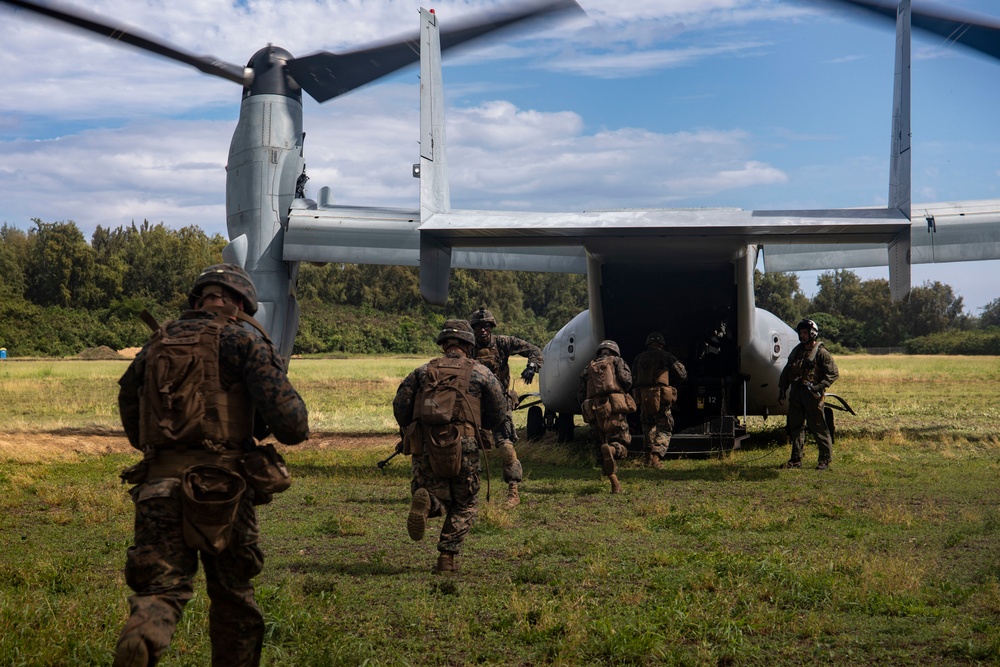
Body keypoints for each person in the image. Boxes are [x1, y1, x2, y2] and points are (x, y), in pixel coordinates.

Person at [113, 264, 309, 667]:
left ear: (198, 300)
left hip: (158, 486)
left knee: (161, 592)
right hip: (224, 491)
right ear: (241, 303)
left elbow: (133, 417)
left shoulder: (155, 345)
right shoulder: (243, 340)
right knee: (234, 596)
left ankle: (143, 638)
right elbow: (292, 425)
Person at [393, 319, 507, 573]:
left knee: (435, 491)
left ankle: (429, 504)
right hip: (464, 442)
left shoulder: (422, 372)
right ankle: (447, 557)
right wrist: (478, 424)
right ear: (469, 344)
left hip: (426, 443)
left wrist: (412, 429)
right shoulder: (480, 372)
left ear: (443, 344)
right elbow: (499, 411)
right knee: (465, 501)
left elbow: (400, 406)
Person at [468, 306, 544, 508]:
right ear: (473, 329)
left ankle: (513, 490)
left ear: (491, 327)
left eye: (486, 326)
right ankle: (469, 491)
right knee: (469, 446)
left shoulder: (502, 343)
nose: (482, 330)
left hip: (498, 402)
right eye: (478, 326)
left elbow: (534, 350)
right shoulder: (467, 347)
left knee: (506, 446)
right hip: (474, 403)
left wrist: (531, 366)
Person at [777, 318, 839, 471]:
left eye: (805, 333)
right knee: (796, 427)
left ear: (812, 333)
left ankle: (825, 459)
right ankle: (796, 459)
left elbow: (833, 373)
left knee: (818, 427)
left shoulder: (821, 353)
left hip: (812, 395)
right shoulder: (797, 351)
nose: (802, 335)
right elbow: (787, 371)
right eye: (801, 332)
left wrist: (819, 386)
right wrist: (782, 389)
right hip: (796, 393)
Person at [577, 340, 635, 493]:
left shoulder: (589, 366)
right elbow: (627, 381)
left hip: (595, 408)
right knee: (621, 442)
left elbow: (581, 392)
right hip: (615, 407)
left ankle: (615, 484)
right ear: (615, 351)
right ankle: (613, 449)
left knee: (600, 443)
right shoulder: (617, 361)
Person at [632, 332, 688, 468]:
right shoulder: (666, 356)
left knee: (647, 427)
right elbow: (682, 374)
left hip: (644, 397)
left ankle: (647, 457)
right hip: (661, 397)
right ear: (662, 344)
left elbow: (633, 376)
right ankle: (656, 458)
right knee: (664, 427)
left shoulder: (639, 358)